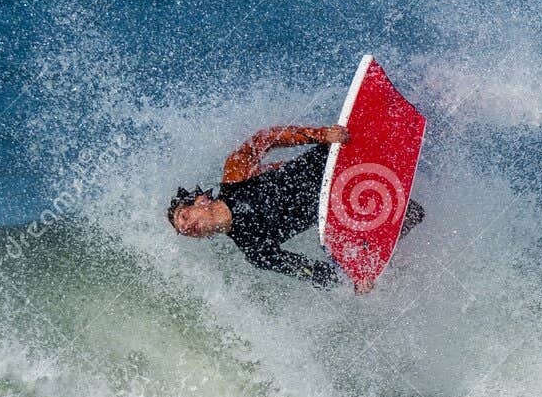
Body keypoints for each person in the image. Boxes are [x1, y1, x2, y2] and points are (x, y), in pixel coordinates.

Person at [166, 124, 423, 290]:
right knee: (413, 213)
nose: (187, 227)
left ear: (200, 200)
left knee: (405, 134)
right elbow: (319, 273)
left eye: (184, 215)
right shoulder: (256, 251)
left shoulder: (235, 176)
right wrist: (356, 277)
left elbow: (265, 138)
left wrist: (321, 135)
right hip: (346, 204)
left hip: (333, 159)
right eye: (183, 230)